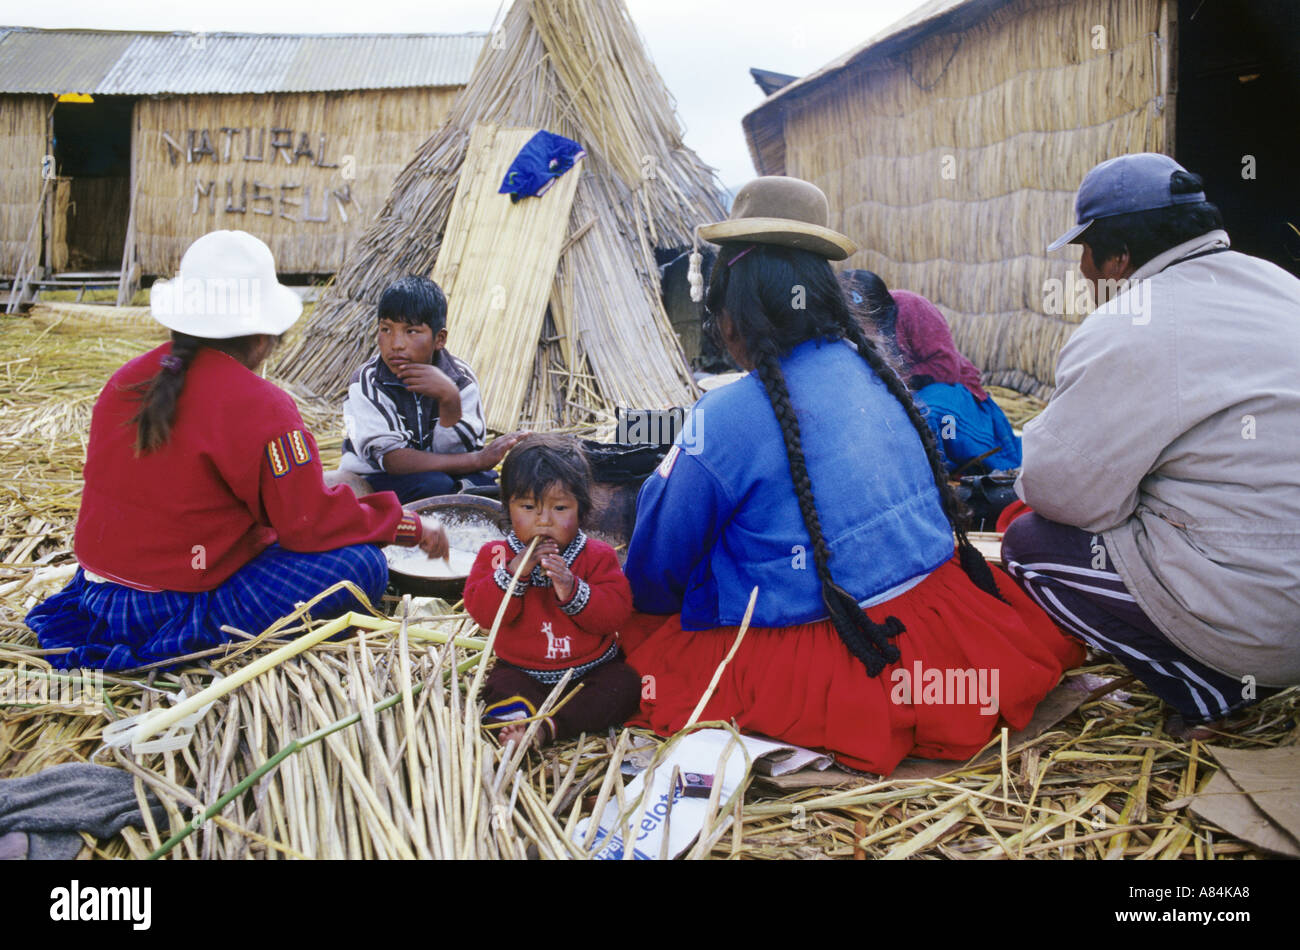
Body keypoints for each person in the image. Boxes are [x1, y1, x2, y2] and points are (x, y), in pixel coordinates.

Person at [621, 177, 1082, 775]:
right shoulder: (880, 375)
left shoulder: (725, 416)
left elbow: (657, 569)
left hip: (841, 655)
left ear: (733, 309)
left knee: (633, 634)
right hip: (941, 632)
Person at [25, 231, 449, 671]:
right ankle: (192, 636)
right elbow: (308, 526)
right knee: (363, 567)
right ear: (264, 337)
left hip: (97, 593)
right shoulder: (262, 406)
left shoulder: (125, 379)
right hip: (164, 606)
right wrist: (404, 525)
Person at [1002, 152, 1300, 738]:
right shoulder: (1284, 287)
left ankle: (1206, 690)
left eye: (1085, 254)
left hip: (1264, 628)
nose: (1085, 272)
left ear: (1119, 255)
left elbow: (1061, 492)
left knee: (1027, 543)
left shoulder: (1130, 323)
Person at [462, 435, 640, 749]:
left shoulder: (597, 555)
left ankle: (548, 727)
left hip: (589, 668)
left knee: (623, 685)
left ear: (582, 510)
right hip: (521, 668)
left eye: (559, 508)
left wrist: (572, 589)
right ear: (508, 507)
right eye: (528, 507)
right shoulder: (496, 555)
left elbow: (615, 615)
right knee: (500, 685)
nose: (543, 520)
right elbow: (484, 614)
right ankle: (516, 723)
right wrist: (514, 574)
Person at [338, 275, 526, 503]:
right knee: (436, 485)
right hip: (377, 477)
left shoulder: (459, 379)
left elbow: (458, 451)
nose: (396, 344)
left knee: (485, 486)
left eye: (411, 331)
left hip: (447, 472)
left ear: (440, 339)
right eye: (386, 329)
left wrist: (449, 400)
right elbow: (392, 460)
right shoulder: (368, 380)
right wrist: (478, 460)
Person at [840, 269, 1021, 473]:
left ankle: (938, 473)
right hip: (889, 395)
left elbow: (946, 367)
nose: (864, 326)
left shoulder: (912, 307)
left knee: (926, 416)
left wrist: (897, 379)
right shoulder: (839, 322)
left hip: (946, 389)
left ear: (882, 310)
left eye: (868, 319)